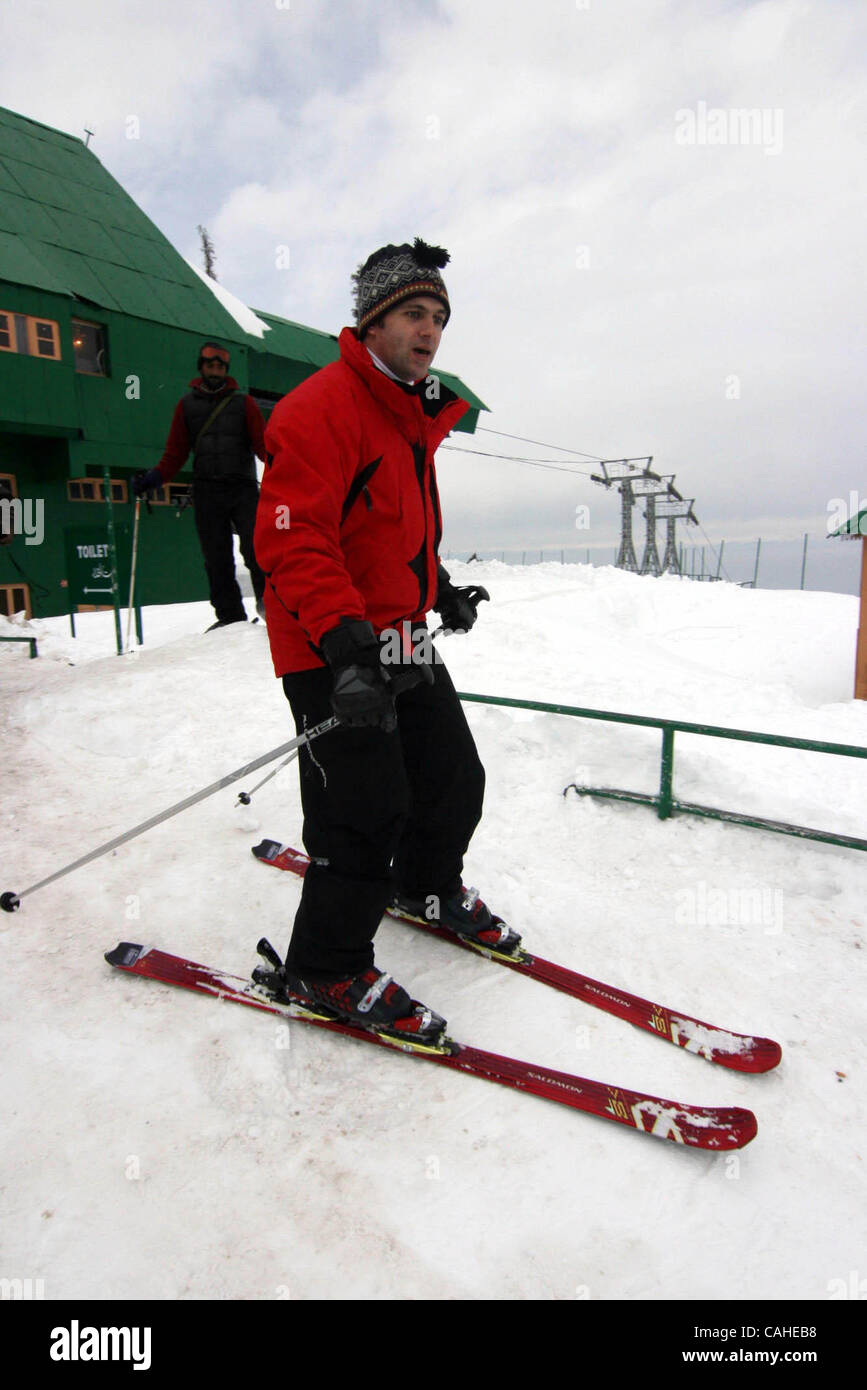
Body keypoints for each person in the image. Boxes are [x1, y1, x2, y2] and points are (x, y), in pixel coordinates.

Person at [254, 238, 518, 1043]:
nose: (430, 330)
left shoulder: (411, 417)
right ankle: (325, 965)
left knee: (450, 777)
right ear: (370, 322)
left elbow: (391, 534)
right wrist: (344, 643)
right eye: (413, 312)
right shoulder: (321, 408)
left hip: (399, 636)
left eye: (438, 316)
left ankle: (426, 886)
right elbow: (294, 538)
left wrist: (437, 589)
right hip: (329, 648)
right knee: (362, 811)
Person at [133, 342, 267, 629]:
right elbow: (175, 454)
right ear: (201, 367)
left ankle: (271, 608)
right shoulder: (186, 406)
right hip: (207, 492)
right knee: (216, 557)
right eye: (210, 365)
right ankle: (230, 617)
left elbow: (264, 447)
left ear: (226, 370)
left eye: (220, 366)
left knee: (258, 550)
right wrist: (153, 479)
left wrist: (289, 470)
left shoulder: (245, 404)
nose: (215, 370)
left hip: (242, 488)